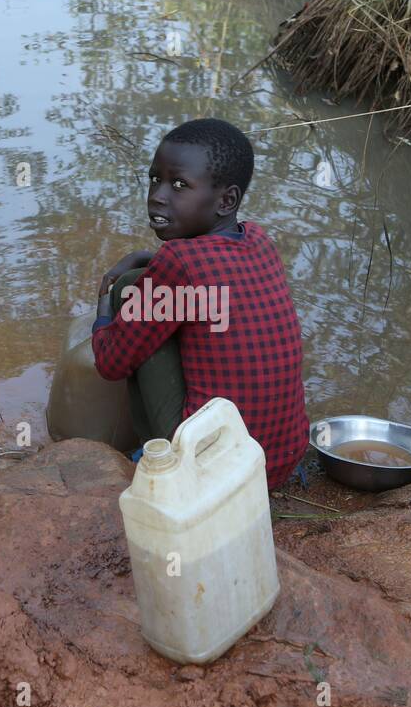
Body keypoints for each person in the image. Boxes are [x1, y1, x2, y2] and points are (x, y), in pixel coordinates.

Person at [92, 118, 308, 489]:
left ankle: (157, 455)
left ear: (227, 200)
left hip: (213, 475)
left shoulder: (179, 262)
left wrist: (104, 304)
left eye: (179, 185)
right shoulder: (259, 239)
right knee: (152, 296)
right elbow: (207, 281)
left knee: (130, 292)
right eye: (154, 179)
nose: (158, 195)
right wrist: (149, 260)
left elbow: (110, 363)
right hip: (278, 462)